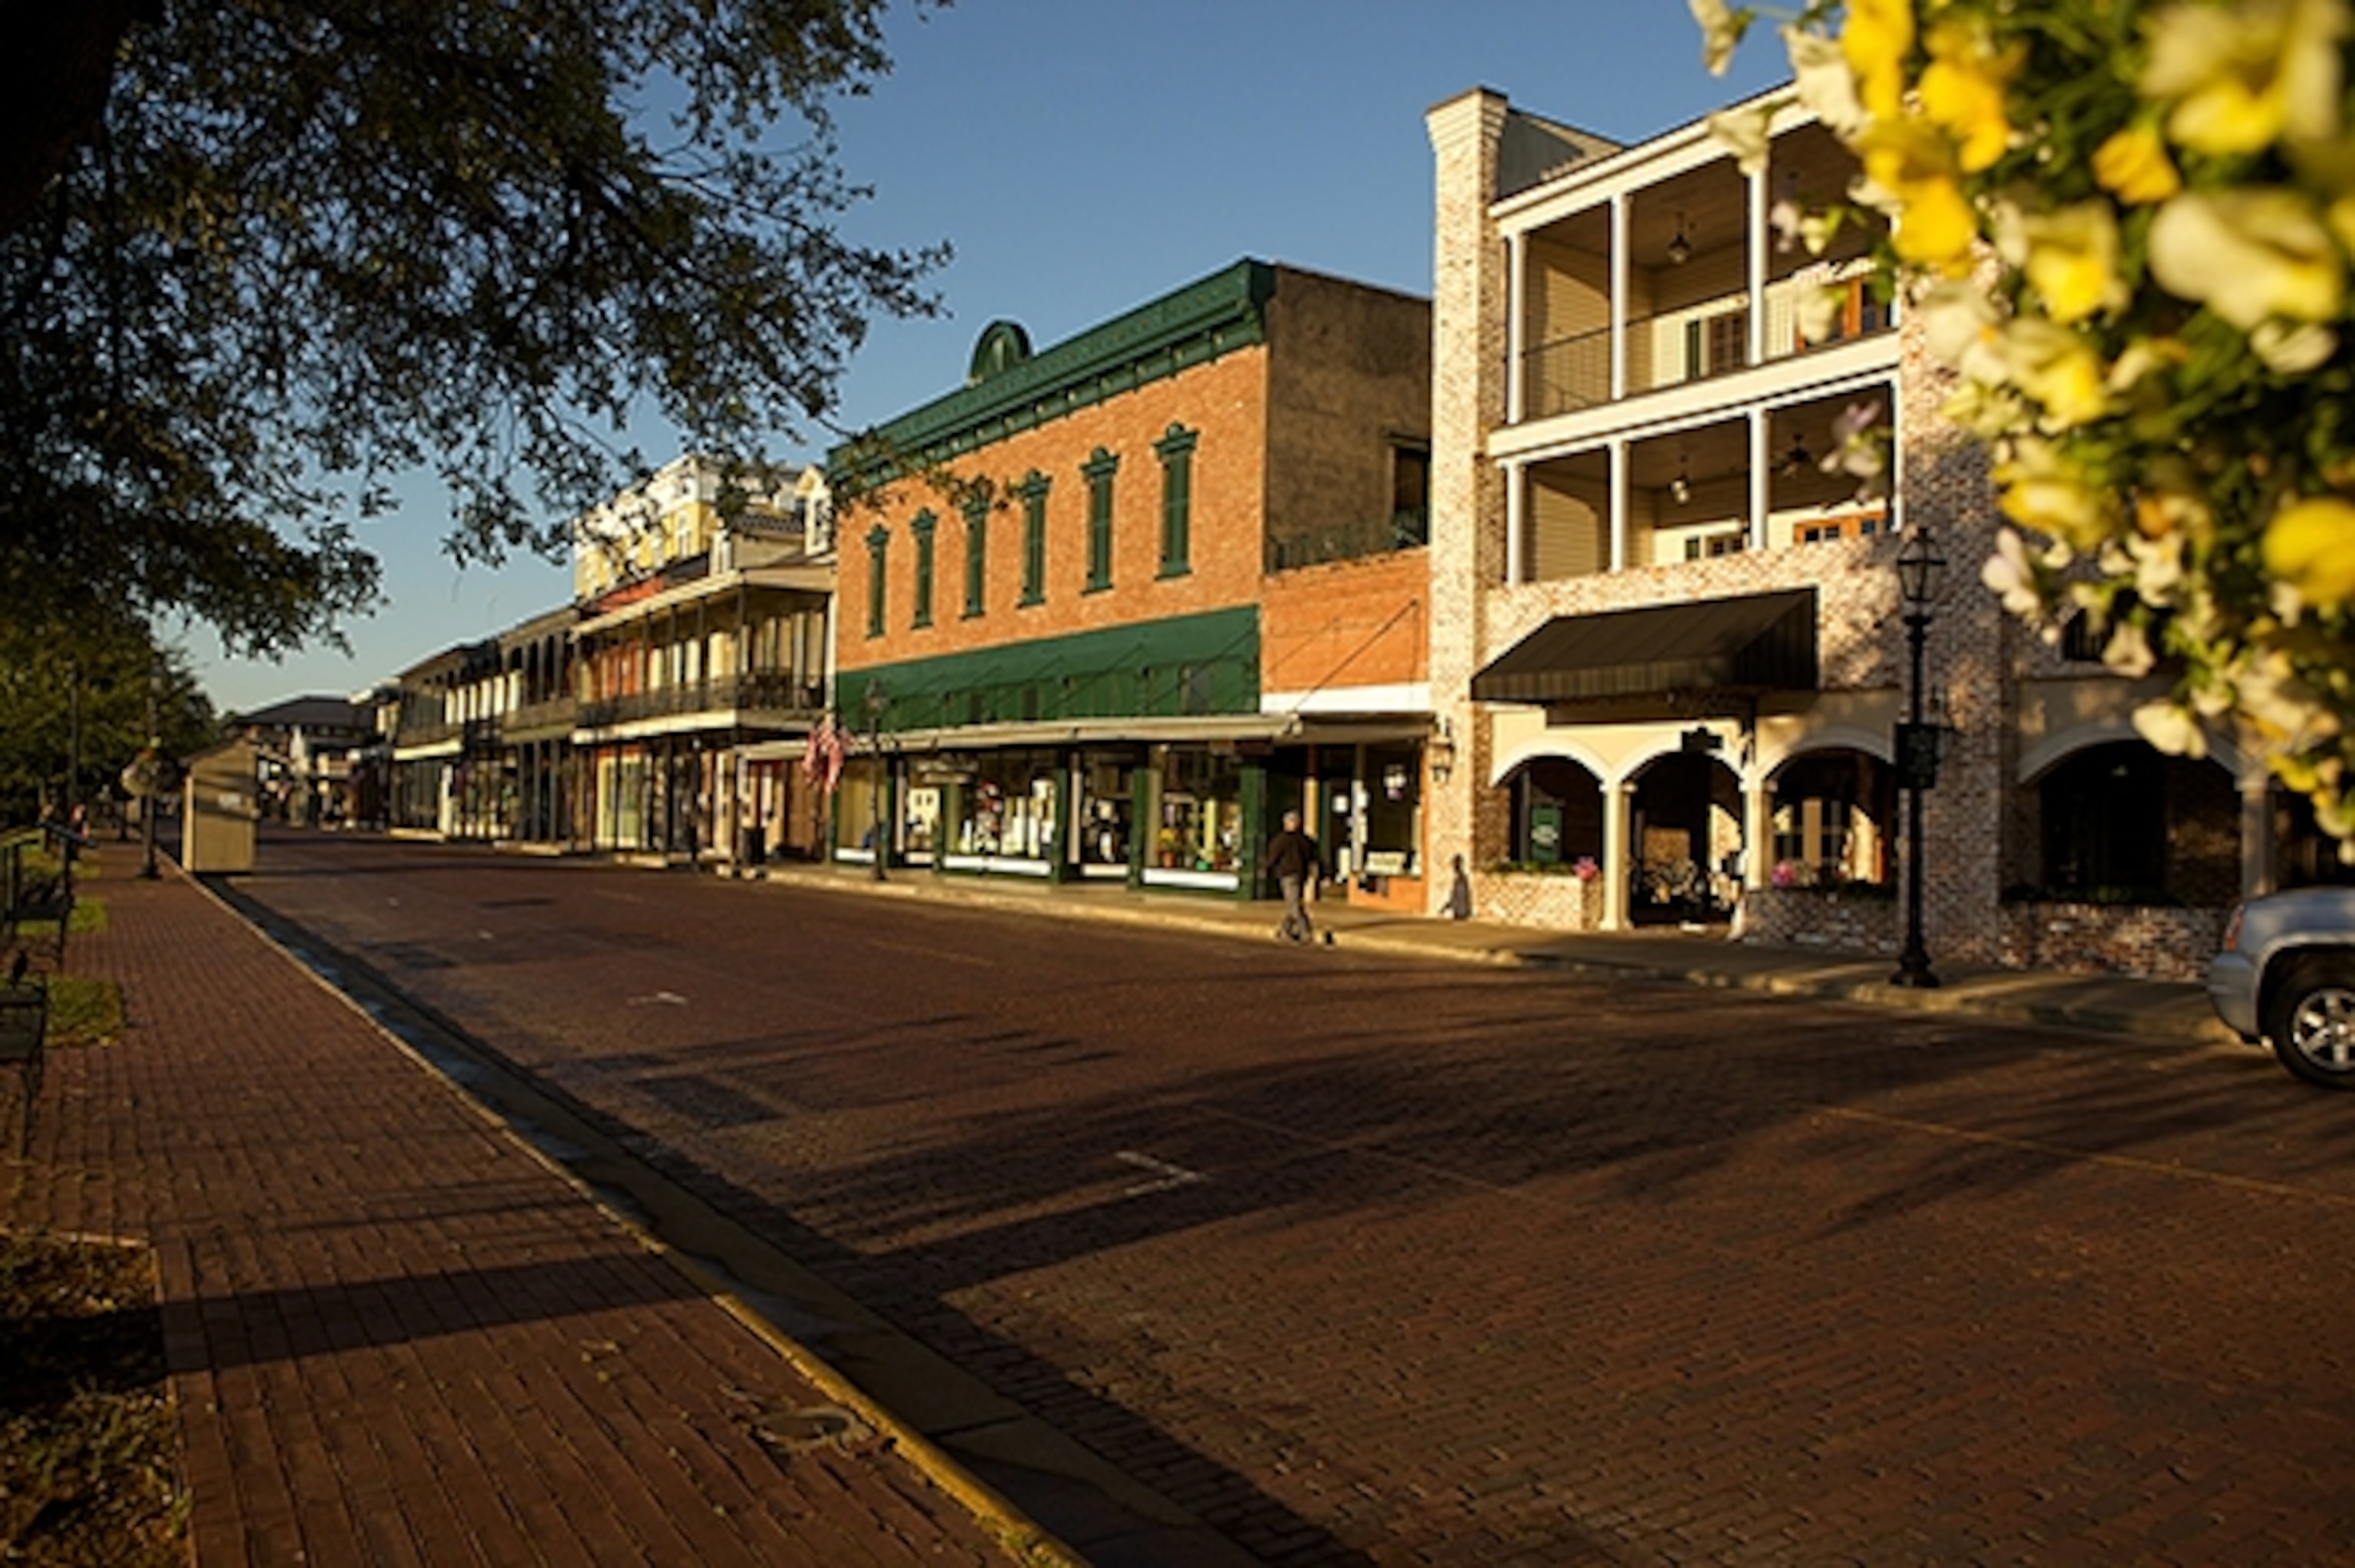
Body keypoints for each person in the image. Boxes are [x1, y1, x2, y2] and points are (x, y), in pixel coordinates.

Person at [1264, 809, 1324, 944]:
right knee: (1292, 902)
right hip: (1301, 874)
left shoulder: (1282, 840)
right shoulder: (1305, 840)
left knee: (1294, 904)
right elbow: (1315, 857)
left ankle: (1305, 932)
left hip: (1288, 874)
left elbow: (1273, 857)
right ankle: (1285, 931)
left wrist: (1266, 868)